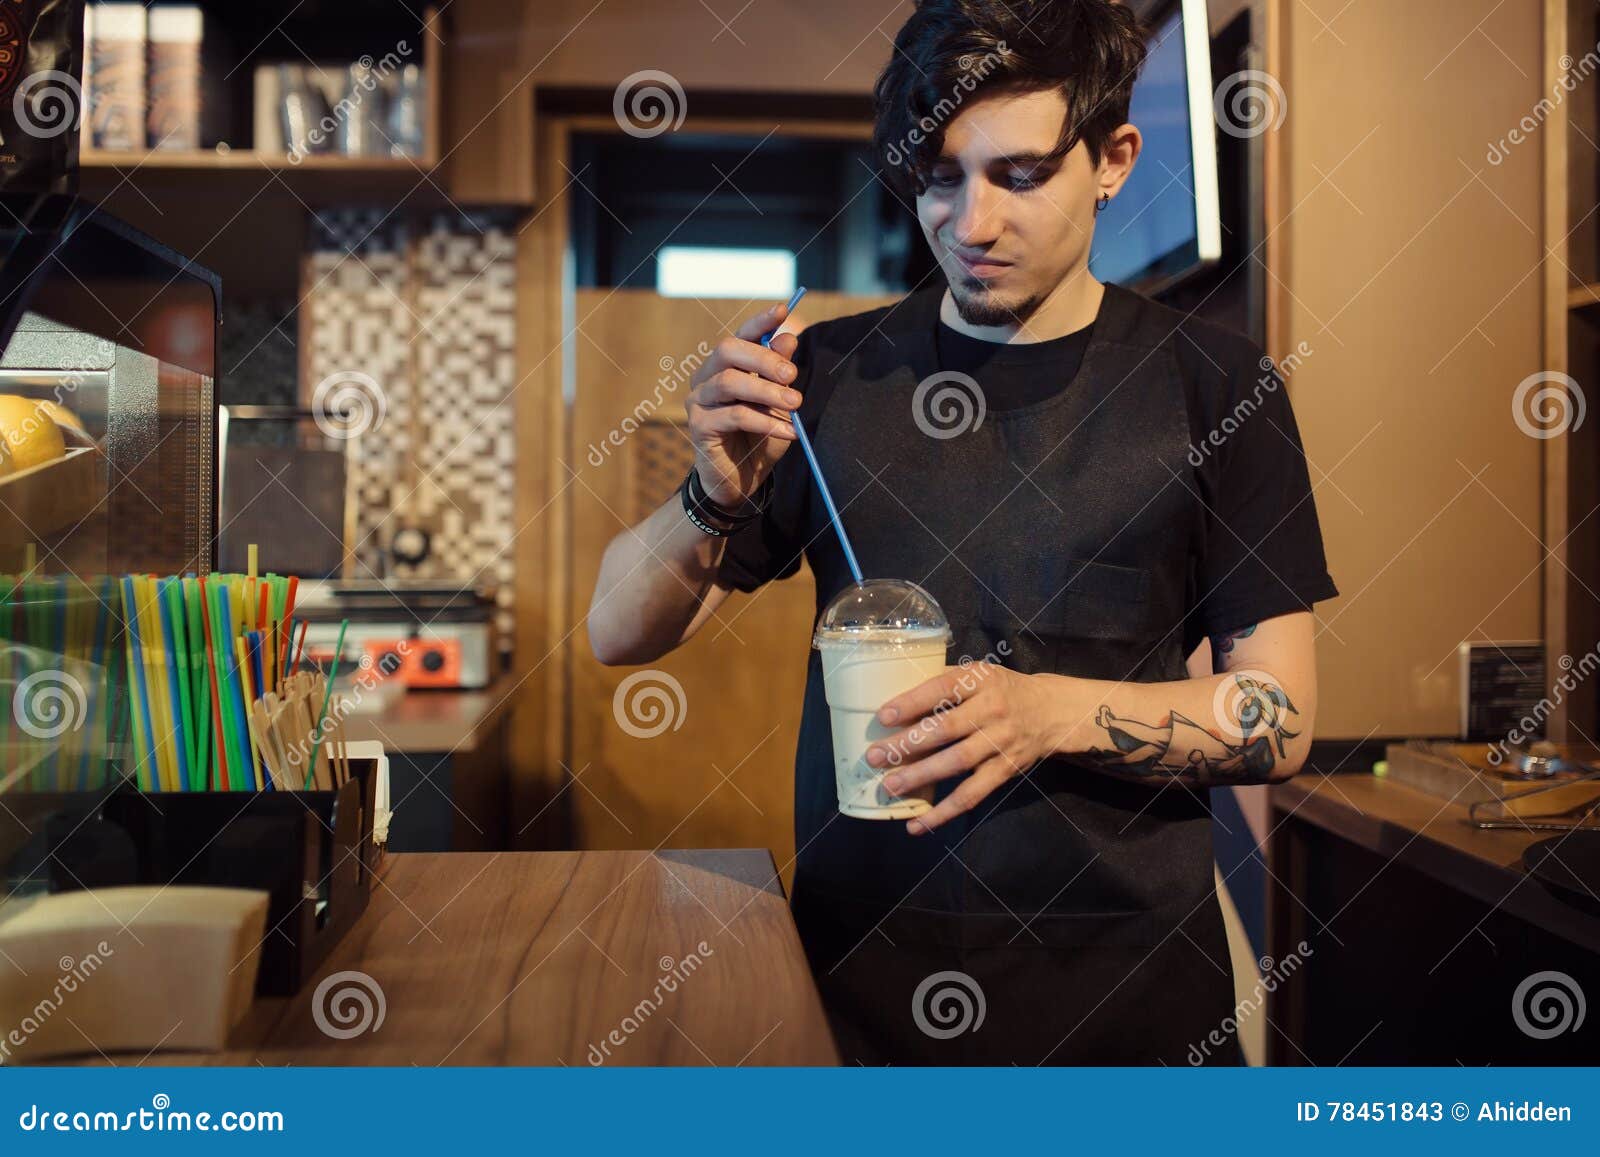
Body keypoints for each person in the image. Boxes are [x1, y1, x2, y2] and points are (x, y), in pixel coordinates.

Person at [588, 0, 1337, 1065]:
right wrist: (710, 491)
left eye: (1018, 176)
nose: (969, 221)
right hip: (863, 984)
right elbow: (618, 632)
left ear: (1113, 158)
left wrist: (1052, 713)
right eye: (941, 175)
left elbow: (1281, 713)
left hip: (1130, 997)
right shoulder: (834, 378)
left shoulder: (1211, 388)